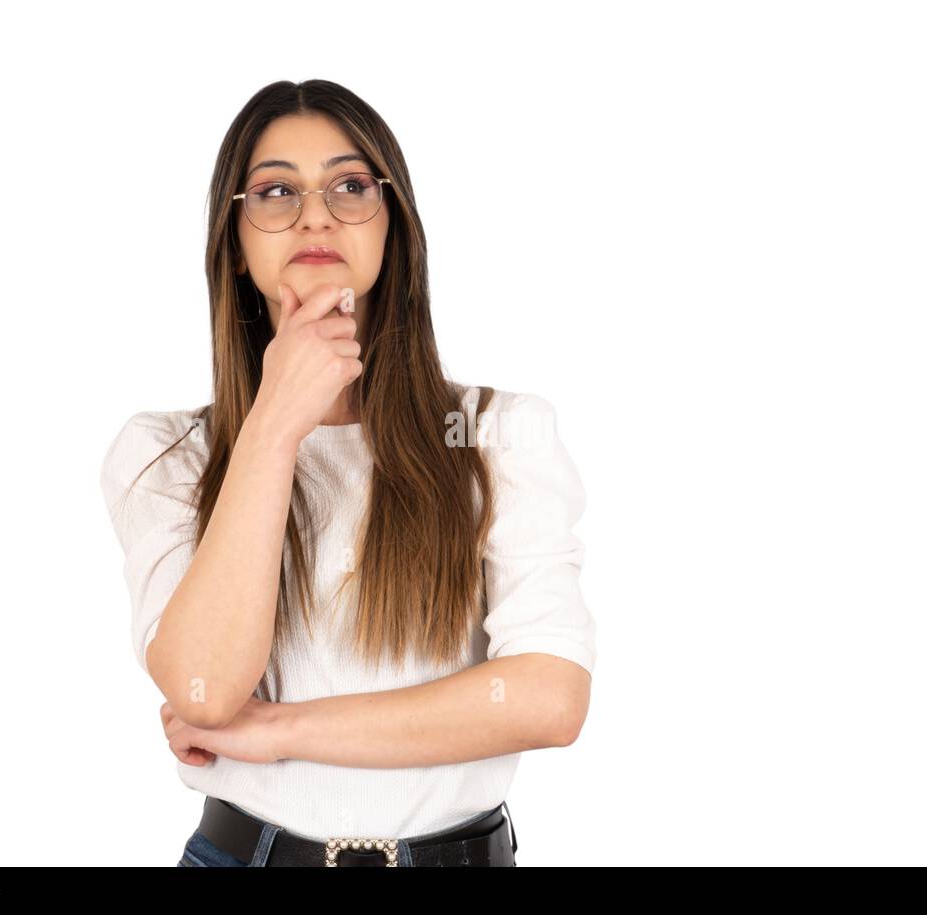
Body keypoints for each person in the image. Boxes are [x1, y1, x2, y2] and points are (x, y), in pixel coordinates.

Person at [99, 79, 595, 867]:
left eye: (351, 186)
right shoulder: (166, 454)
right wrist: (273, 424)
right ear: (234, 242)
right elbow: (202, 691)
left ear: (393, 224)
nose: (315, 215)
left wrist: (279, 731)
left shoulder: (498, 432)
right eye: (275, 191)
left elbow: (548, 698)